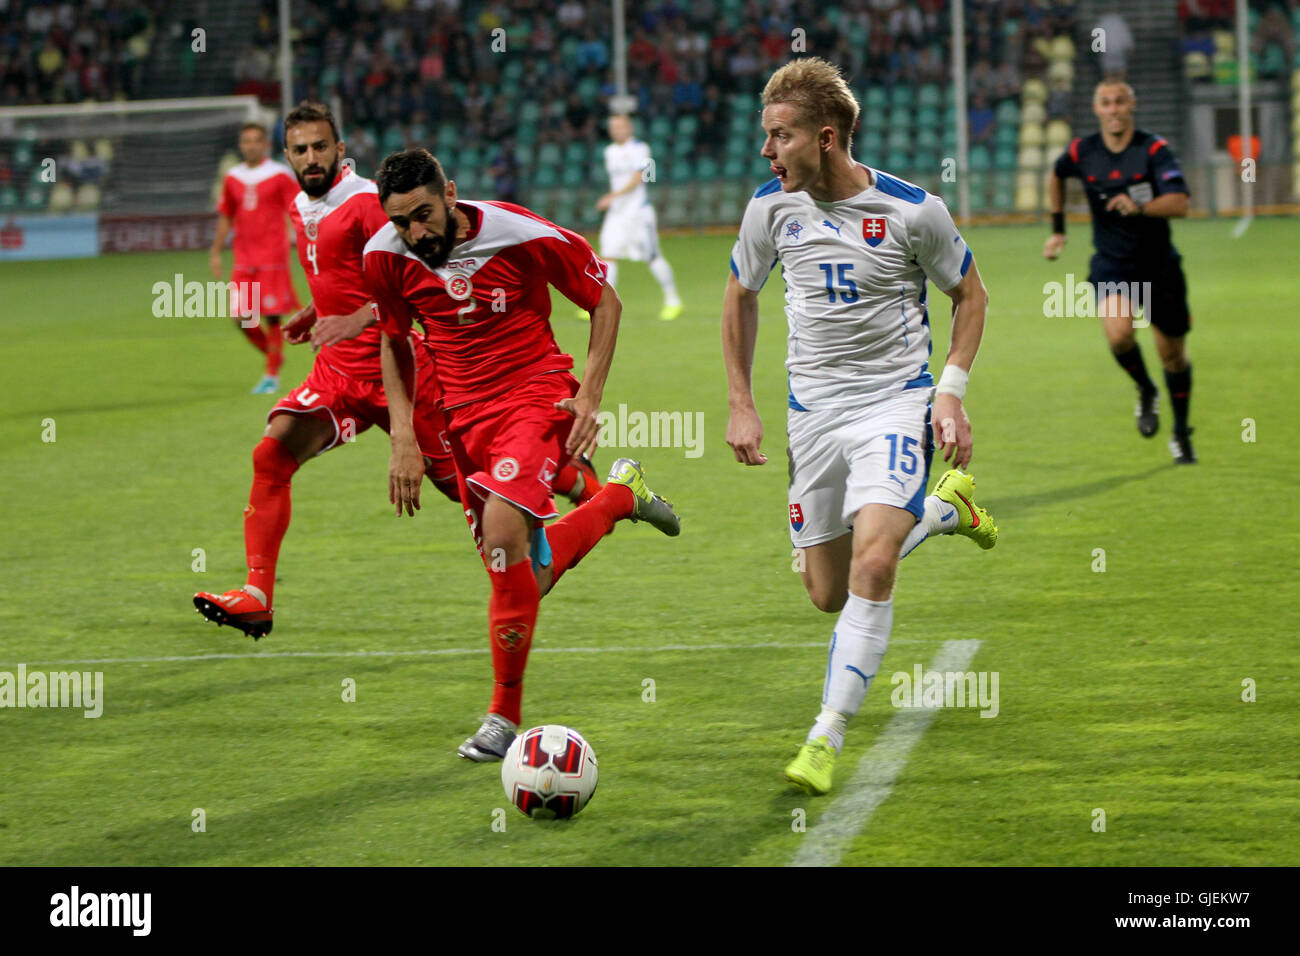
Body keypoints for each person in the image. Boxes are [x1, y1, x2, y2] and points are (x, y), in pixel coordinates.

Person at [721, 58, 998, 796]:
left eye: (778, 137)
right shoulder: (768, 209)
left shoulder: (914, 211)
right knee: (827, 592)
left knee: (875, 565)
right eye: (766, 137)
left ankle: (825, 733)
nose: (766, 152)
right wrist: (740, 400)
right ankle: (945, 510)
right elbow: (740, 295)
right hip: (812, 418)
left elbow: (970, 296)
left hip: (893, 406)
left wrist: (949, 394)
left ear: (827, 136)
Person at [364, 148, 680, 761]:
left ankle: (502, 717)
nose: (414, 233)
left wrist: (588, 396)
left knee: (505, 530)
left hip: (535, 394)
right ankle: (618, 496)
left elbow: (604, 301)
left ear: (450, 194)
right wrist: (404, 436)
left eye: (424, 215)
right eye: (401, 221)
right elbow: (394, 342)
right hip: (462, 423)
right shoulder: (386, 255)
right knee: (523, 580)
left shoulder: (519, 232)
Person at [193, 102, 466, 640]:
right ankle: (256, 595)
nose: (311, 158)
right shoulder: (299, 206)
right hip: (337, 374)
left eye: (321, 147)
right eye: (300, 149)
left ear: (340, 150)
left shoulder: (367, 203)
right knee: (271, 452)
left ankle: (591, 491)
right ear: (287, 155)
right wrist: (318, 312)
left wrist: (355, 318)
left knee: (462, 488)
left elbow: (409, 277)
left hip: (399, 367)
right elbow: (346, 275)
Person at [1044, 80, 1196, 463]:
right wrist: (1059, 229)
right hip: (1113, 264)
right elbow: (1057, 175)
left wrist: (1141, 207)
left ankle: (1180, 432)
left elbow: (1180, 203)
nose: (1113, 109)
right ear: (1097, 110)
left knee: (1173, 357)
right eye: (1106, 103)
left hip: (1159, 266)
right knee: (1119, 334)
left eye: (1120, 102)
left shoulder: (1154, 150)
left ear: (1132, 106)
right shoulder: (1083, 150)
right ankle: (1146, 390)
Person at [210, 122, 303, 393]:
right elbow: (226, 215)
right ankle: (275, 355)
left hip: (273, 256)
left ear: (265, 145)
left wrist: (305, 241)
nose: (250, 145)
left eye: (255, 141)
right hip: (244, 258)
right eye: (246, 141)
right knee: (241, 317)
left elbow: (296, 210)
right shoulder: (233, 177)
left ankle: (271, 375)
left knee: (272, 316)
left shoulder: (280, 175)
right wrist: (216, 250)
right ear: (241, 145)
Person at [594, 114, 683, 321]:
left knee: (652, 257)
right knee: (608, 256)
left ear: (629, 128)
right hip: (617, 214)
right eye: (612, 127)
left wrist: (611, 197)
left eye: (619, 126)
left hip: (638, 213)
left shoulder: (640, 149)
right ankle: (604, 304)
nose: (615, 130)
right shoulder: (609, 152)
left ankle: (673, 301)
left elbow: (639, 178)